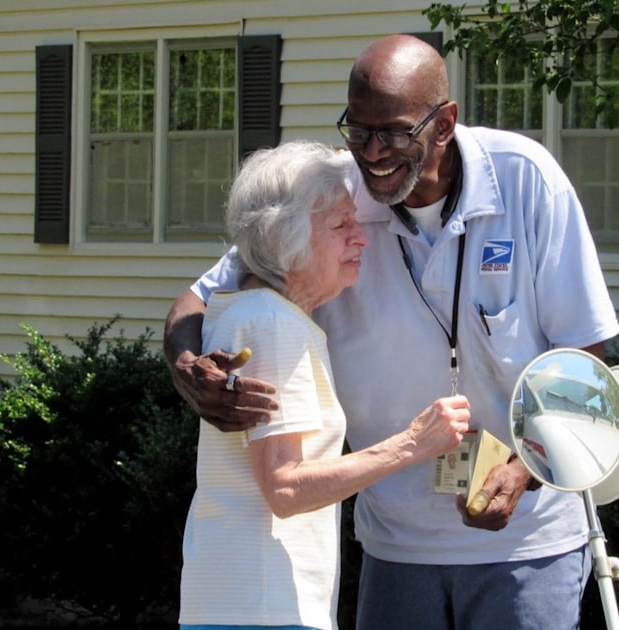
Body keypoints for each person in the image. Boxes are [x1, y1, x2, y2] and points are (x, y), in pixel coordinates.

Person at [164, 35, 619, 630]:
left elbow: (583, 354)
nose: (373, 152)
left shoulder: (526, 180)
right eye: (358, 130)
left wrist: (526, 468)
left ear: (445, 122)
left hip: (526, 544)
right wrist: (186, 365)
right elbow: (202, 297)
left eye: (395, 132)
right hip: (394, 547)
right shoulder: (333, 194)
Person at [178, 139, 471, 630]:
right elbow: (286, 488)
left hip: (244, 600)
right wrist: (412, 443)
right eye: (340, 225)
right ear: (281, 239)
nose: (362, 238)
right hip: (264, 608)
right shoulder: (271, 324)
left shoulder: (257, 314)